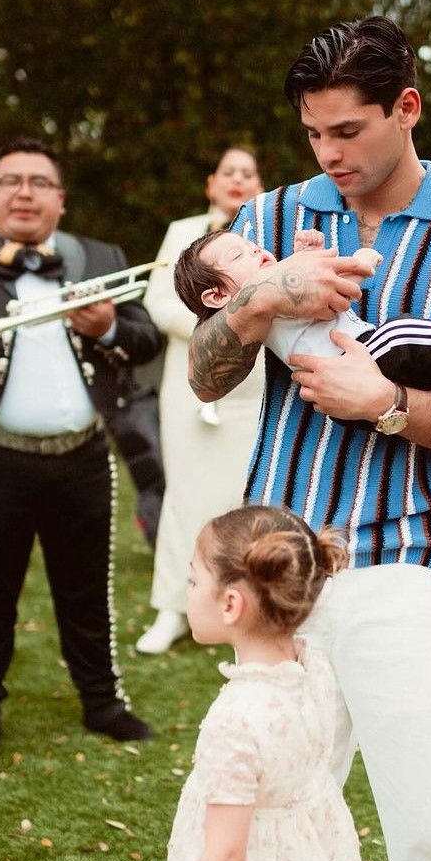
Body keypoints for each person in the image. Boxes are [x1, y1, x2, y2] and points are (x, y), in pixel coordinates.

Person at [186, 16, 431, 861]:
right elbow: (204, 373)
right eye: (312, 133)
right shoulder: (270, 217)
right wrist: (262, 299)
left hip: (407, 554)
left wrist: (383, 406)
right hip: (281, 561)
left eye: (347, 131)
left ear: (405, 107)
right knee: (266, 816)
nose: (328, 152)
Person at [0, 137, 162, 768]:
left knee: (88, 591)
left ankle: (102, 703)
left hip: (84, 456)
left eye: (39, 182)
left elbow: (146, 340)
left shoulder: (102, 257)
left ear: (60, 201)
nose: (24, 192)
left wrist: (111, 329)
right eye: (9, 181)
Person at [164, 506, 364, 861]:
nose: (188, 591)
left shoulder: (235, 719)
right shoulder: (314, 669)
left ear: (230, 604)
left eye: (193, 581)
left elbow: (226, 855)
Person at [175, 227, 431, 426]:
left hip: (362, 364)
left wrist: (305, 258)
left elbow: (311, 289)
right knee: (401, 332)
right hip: (350, 361)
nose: (257, 250)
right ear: (216, 295)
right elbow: (321, 295)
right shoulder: (263, 314)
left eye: (253, 246)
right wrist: (356, 264)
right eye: (239, 256)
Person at [136, 147, 266, 654]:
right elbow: (158, 299)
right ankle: (173, 608)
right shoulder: (181, 230)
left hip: (253, 387)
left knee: (252, 497)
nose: (238, 180)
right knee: (185, 495)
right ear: (211, 183)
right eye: (229, 173)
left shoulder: (267, 231)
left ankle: (250, 607)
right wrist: (216, 326)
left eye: (247, 173)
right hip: (192, 383)